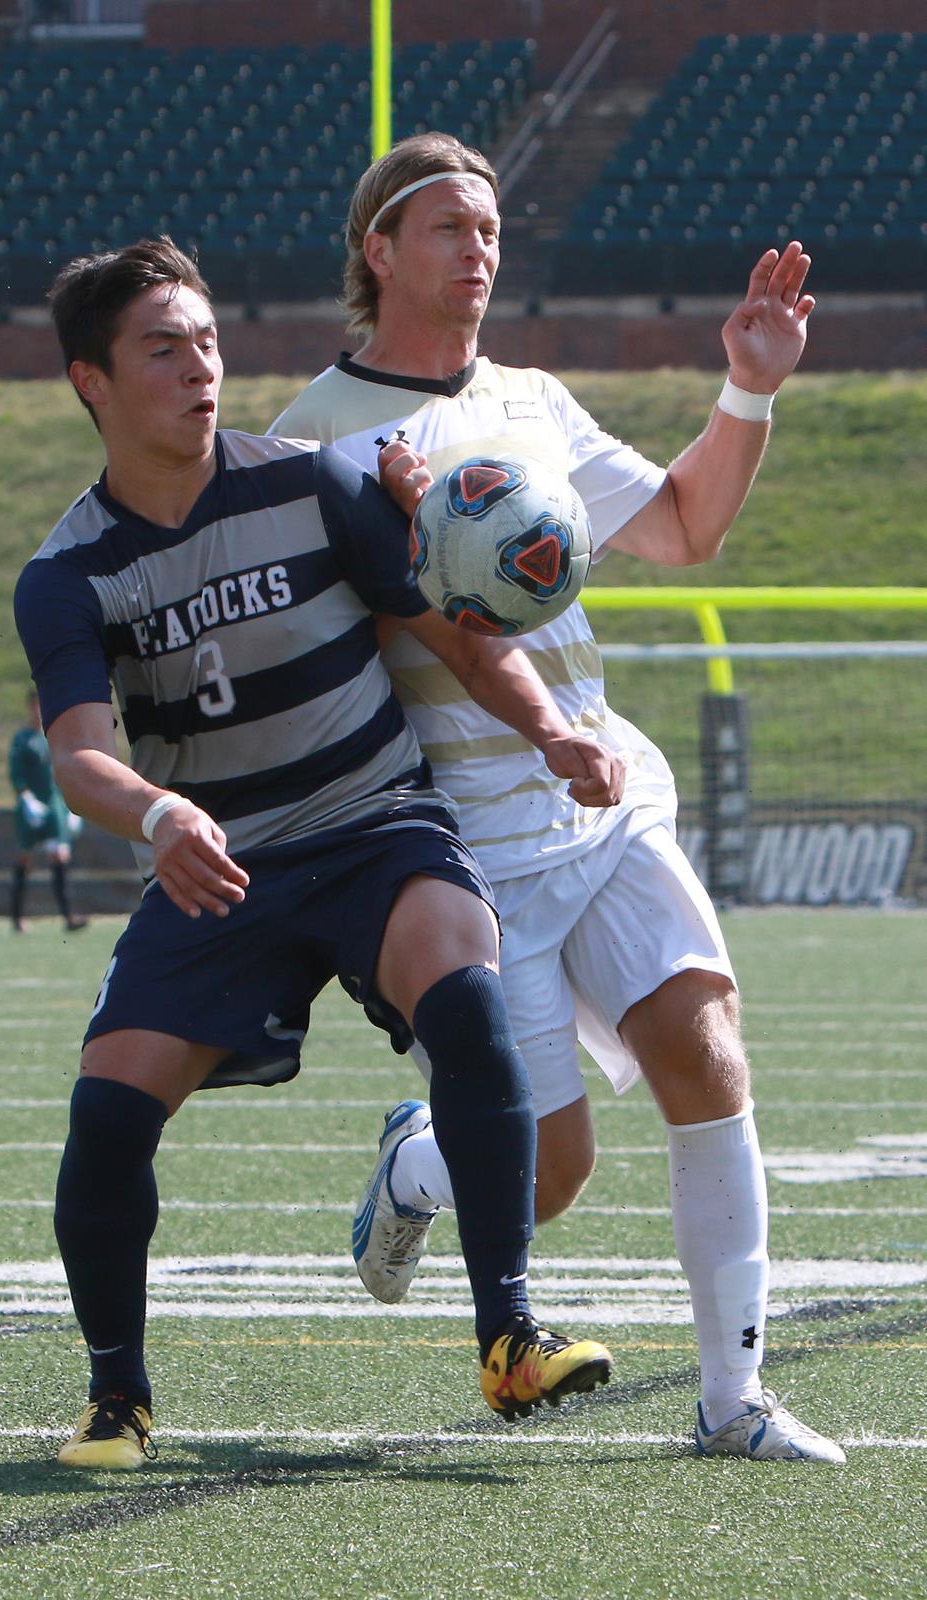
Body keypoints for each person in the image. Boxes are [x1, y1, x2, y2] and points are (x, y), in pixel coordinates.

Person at [269, 133, 846, 1464]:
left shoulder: (528, 398)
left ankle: (733, 1401)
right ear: (378, 249)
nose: (477, 249)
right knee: (549, 1171)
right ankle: (420, 1161)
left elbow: (684, 527)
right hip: (462, 847)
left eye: (488, 228)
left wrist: (747, 390)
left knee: (704, 1049)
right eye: (447, 227)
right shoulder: (312, 436)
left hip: (598, 793)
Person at [14, 236, 624, 1470]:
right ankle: (116, 1394)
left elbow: (455, 637)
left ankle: (509, 1335)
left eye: (206, 341)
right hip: (219, 865)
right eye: (162, 349)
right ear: (91, 380)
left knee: (466, 995)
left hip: (374, 828)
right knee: (106, 1115)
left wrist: (554, 731)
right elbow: (79, 755)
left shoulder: (311, 482)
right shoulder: (67, 571)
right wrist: (161, 816)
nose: (200, 367)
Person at [8, 687, 89, 934]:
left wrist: (71, 806)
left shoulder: (55, 736)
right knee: (25, 857)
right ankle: (17, 918)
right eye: (36, 704)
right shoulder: (23, 738)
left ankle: (68, 916)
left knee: (60, 855)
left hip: (55, 805)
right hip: (31, 805)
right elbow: (16, 771)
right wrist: (26, 797)